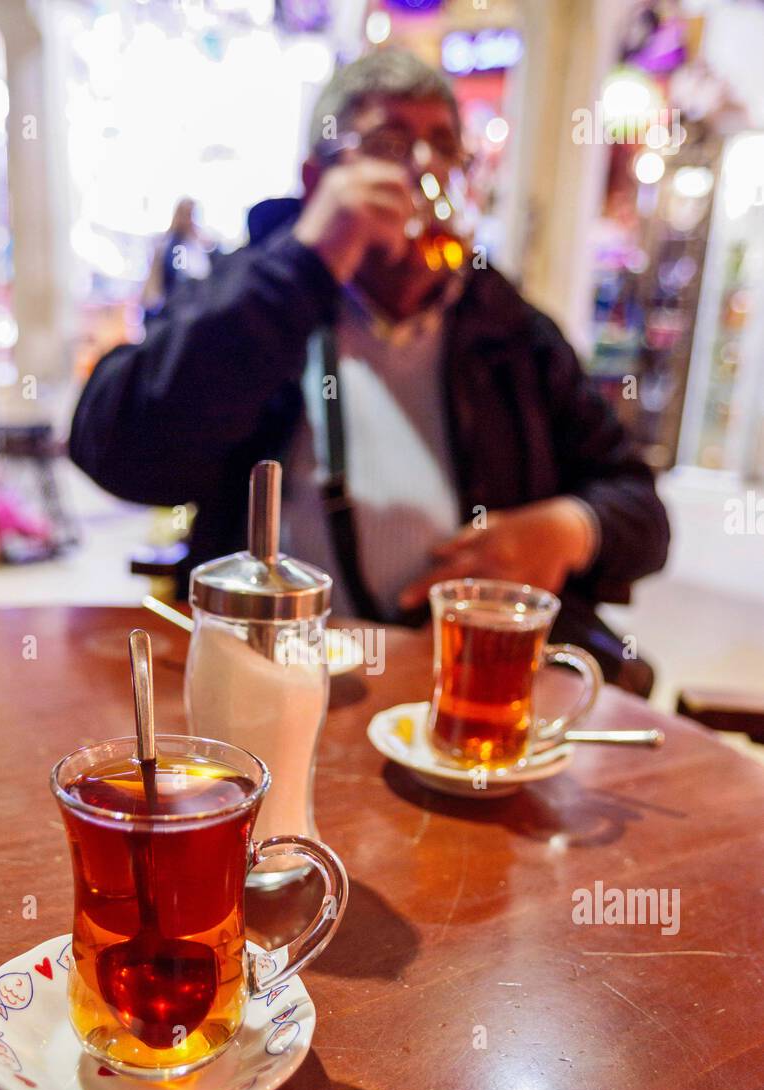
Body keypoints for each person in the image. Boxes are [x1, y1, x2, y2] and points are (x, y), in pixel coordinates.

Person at [70, 50, 669, 691]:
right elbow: (118, 449)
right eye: (389, 144)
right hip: (274, 682)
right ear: (317, 176)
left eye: (444, 147)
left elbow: (641, 511)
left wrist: (569, 529)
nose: (423, 169)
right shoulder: (257, 292)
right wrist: (309, 260)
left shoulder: (511, 331)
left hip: (462, 686)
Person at [141, 198, 216, 318]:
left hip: (201, 305)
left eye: (192, 215)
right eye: (186, 215)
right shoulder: (167, 246)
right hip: (175, 308)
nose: (189, 220)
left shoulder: (205, 245)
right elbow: (158, 282)